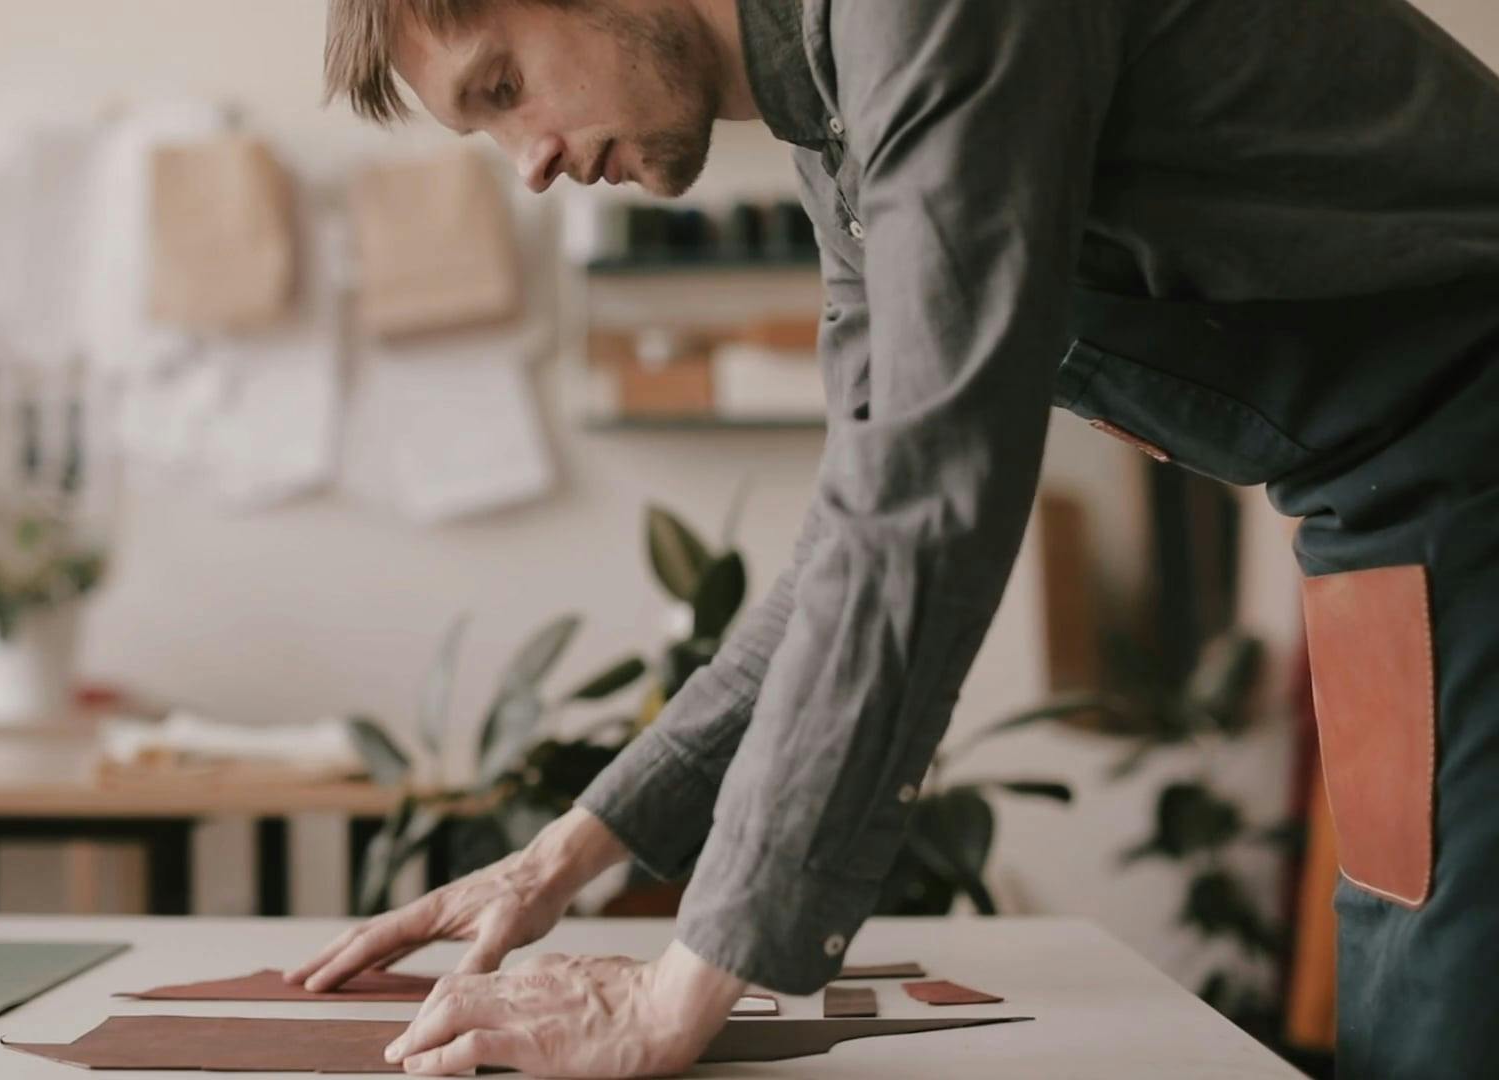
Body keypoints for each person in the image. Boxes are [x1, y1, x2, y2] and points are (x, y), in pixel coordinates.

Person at [295, 1, 1499, 1076]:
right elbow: (858, 521)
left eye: (504, 88)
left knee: (1441, 1013)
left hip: (1472, 448)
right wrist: (569, 851)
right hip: (1395, 504)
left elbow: (930, 490)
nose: (534, 166)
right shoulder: (834, 120)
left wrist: (677, 995)